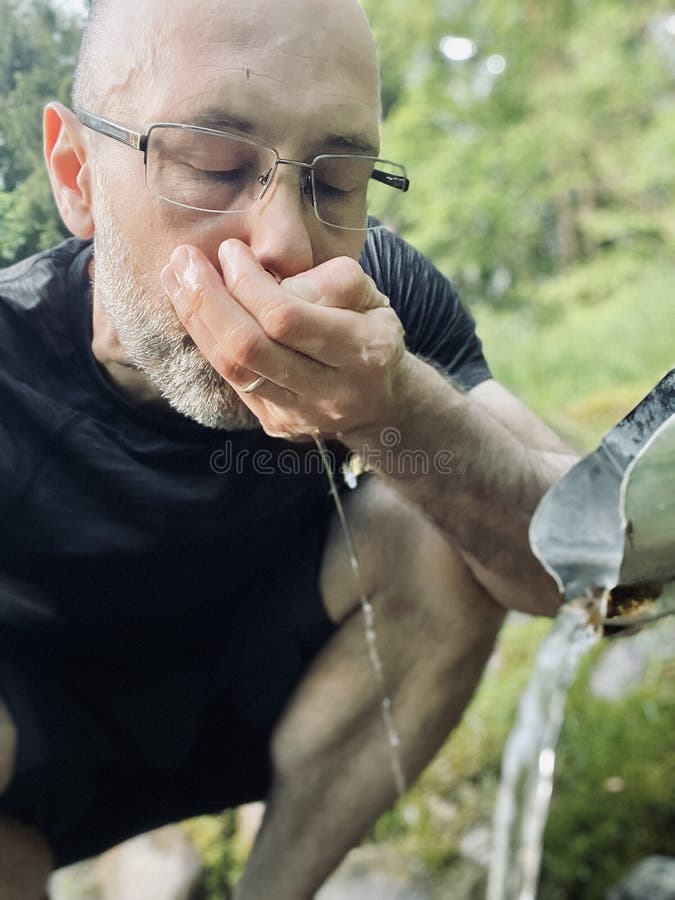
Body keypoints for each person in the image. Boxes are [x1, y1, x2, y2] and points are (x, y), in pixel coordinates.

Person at [0, 0, 577, 896]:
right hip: (38, 759)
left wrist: (396, 414)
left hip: (272, 700)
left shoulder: (381, 297)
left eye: (336, 181)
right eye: (213, 164)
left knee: (437, 525)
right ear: (76, 175)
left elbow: (579, 563)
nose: (284, 241)